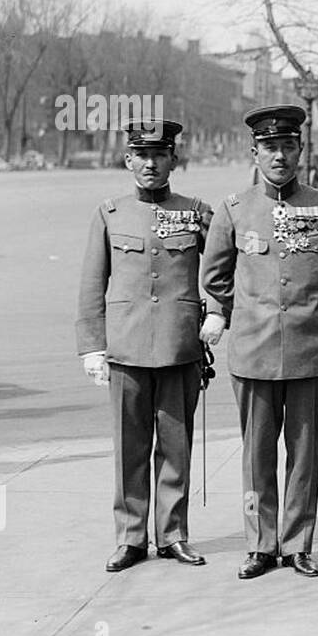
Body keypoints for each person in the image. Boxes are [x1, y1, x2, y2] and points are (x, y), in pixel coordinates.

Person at [200, 104, 318, 581]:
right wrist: (232, 311)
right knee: (256, 454)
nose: (280, 155)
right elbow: (214, 277)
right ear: (255, 152)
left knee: (305, 453)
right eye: (270, 147)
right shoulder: (234, 208)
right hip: (253, 352)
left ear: (300, 150)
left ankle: (296, 544)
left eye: (288, 146)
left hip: (312, 352)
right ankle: (259, 544)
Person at [76, 118, 212, 573]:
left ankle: (172, 534)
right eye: (142, 155)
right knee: (129, 448)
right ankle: (131, 537)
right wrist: (92, 347)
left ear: (174, 159)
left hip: (179, 348)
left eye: (160, 155)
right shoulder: (110, 214)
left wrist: (216, 312)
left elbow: (222, 270)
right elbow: (92, 284)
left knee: (176, 447)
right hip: (127, 350)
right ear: (128, 159)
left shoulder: (196, 212)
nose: (151, 164)